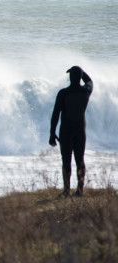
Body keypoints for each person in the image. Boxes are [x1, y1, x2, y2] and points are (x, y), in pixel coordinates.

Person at [49, 66, 93, 197]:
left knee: (66, 160)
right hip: (80, 131)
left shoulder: (63, 93)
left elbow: (55, 114)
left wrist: (52, 133)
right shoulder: (86, 91)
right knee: (80, 160)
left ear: (70, 77)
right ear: (80, 77)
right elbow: (90, 81)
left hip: (66, 132)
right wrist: (82, 72)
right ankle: (80, 191)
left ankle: (66, 191)